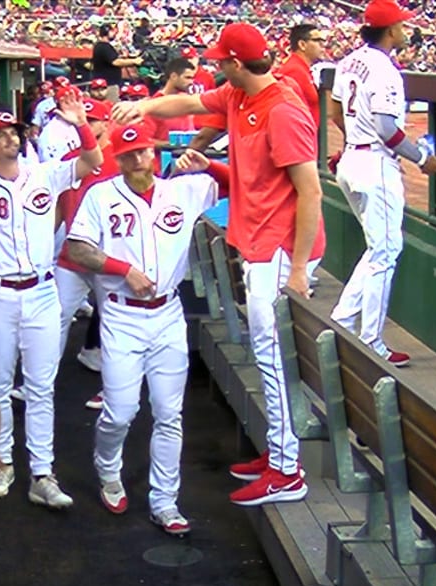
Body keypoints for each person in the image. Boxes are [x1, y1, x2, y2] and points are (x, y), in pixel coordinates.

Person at [113, 20, 325, 507]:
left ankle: (287, 471)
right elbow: (188, 104)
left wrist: (297, 269)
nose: (215, 68)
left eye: (220, 61)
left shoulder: (284, 109)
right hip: (259, 242)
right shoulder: (238, 95)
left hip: (279, 249)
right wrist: (144, 107)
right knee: (266, 354)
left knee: (272, 357)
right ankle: (279, 455)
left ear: (234, 63)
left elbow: (311, 191)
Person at [64, 128, 228, 535]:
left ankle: (164, 501)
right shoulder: (101, 195)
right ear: (118, 159)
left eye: (143, 152)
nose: (138, 160)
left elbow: (241, 186)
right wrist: (123, 270)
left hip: (168, 314)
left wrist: (210, 166)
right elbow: (76, 248)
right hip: (121, 317)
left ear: (153, 153)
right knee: (120, 413)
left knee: (169, 415)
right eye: (129, 154)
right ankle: (108, 469)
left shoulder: (184, 190)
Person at [0, 92, 101, 508]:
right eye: (1, 134)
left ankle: (42, 473)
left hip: (41, 290)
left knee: (40, 386)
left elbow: (92, 161)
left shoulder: (44, 174)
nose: (11, 139)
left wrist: (81, 123)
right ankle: (3, 463)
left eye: (15, 132)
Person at [329, 0, 436, 368]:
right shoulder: (386, 70)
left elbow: (334, 110)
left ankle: (341, 321)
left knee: (379, 248)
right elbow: (386, 129)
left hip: (351, 159)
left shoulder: (349, 61)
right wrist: (421, 158)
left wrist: (353, 142)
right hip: (374, 164)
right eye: (402, 26)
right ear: (390, 31)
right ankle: (371, 341)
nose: (405, 31)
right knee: (386, 253)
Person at [52, 98, 117, 409]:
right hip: (71, 256)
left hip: (107, 256)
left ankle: (113, 389)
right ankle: (39, 382)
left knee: (114, 321)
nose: (87, 125)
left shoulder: (120, 158)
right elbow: (59, 205)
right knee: (56, 317)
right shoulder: (69, 159)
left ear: (105, 123)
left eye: (93, 120)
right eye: (84, 120)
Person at [278, 24, 328, 128]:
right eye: (317, 41)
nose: (322, 45)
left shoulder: (301, 68)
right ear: (302, 45)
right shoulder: (294, 70)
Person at [91, 23, 140, 100]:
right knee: (111, 104)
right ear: (107, 32)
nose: (114, 34)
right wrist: (134, 61)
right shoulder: (104, 46)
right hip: (109, 84)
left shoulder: (101, 46)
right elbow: (115, 62)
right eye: (112, 31)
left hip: (108, 83)